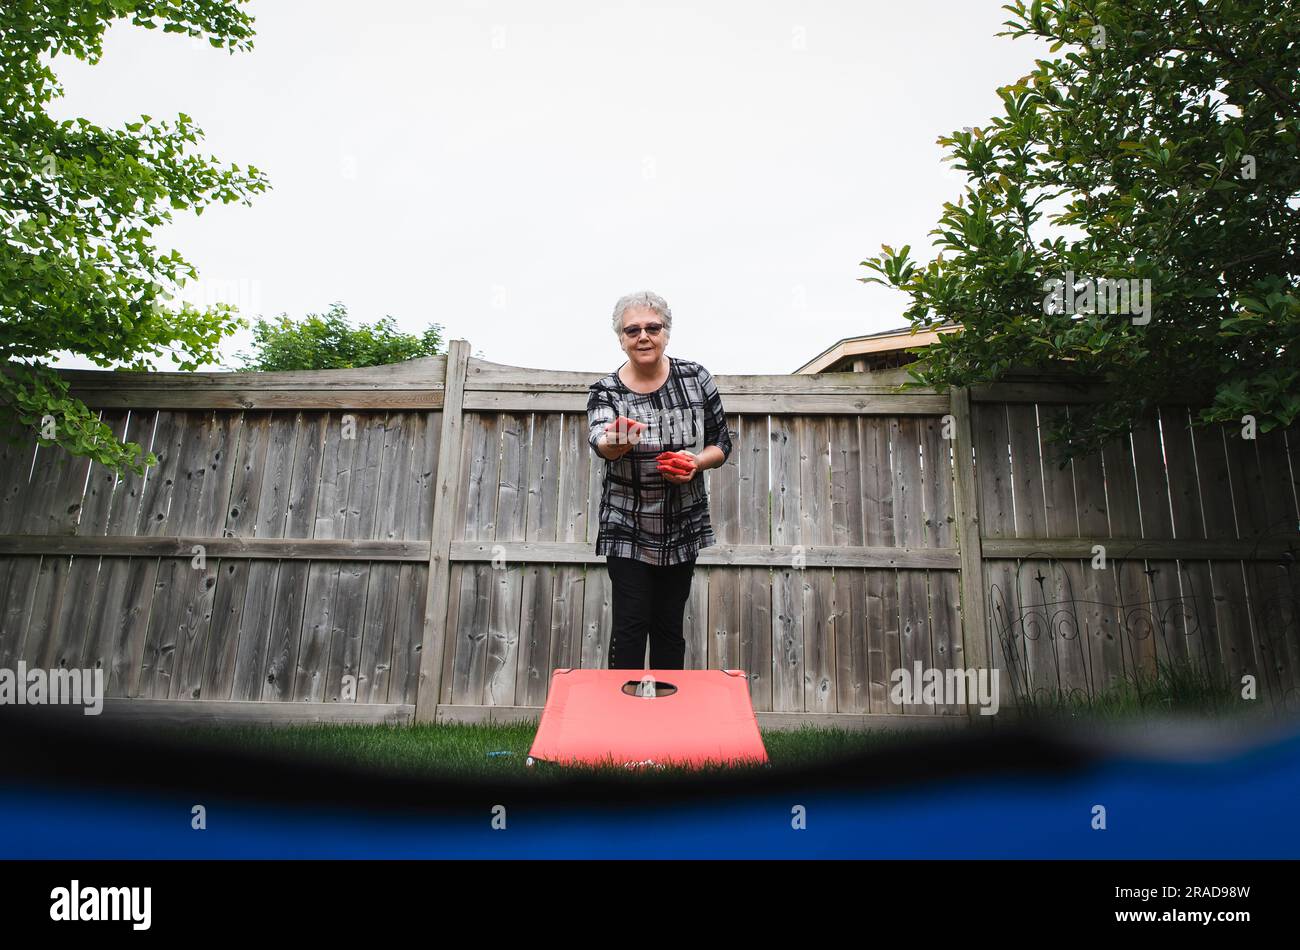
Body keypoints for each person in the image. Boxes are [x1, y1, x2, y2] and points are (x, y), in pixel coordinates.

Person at [586, 290, 732, 670]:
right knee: (630, 626)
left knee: (669, 628)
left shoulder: (695, 378)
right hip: (626, 523)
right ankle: (623, 722)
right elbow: (600, 442)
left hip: (682, 521)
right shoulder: (606, 391)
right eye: (631, 330)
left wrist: (696, 463)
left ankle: (667, 722)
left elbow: (722, 443)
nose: (643, 336)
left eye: (653, 327)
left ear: (666, 332)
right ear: (620, 338)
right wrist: (616, 443)